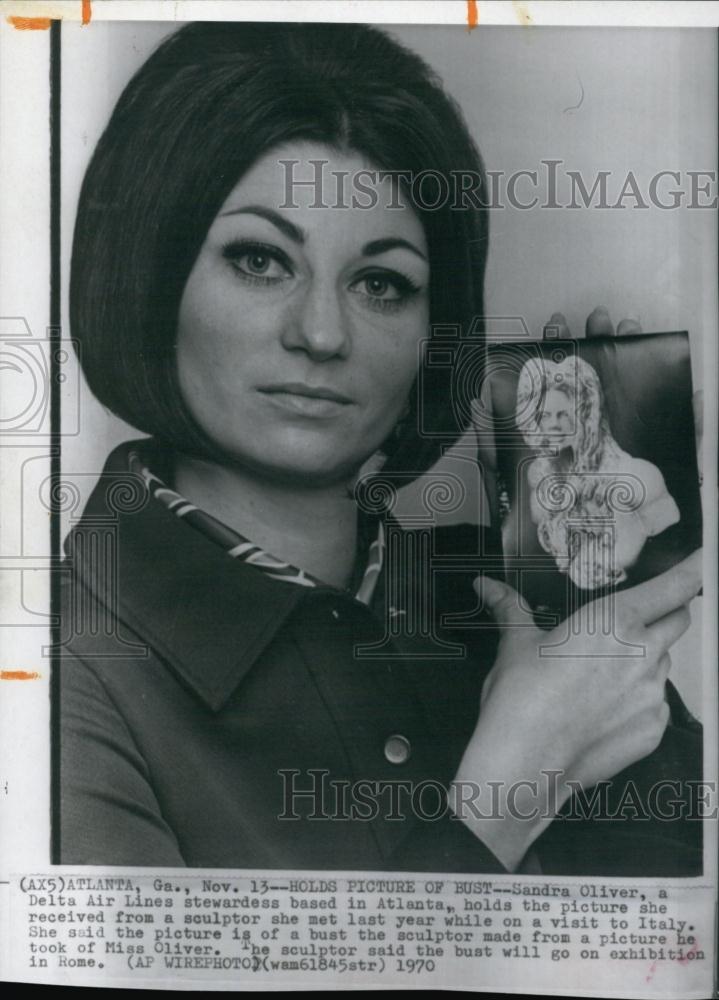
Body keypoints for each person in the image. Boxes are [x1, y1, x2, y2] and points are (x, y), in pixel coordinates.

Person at [59, 21, 702, 876]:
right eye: (258, 260)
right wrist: (505, 796)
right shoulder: (55, 670)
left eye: (381, 283)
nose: (322, 333)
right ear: (147, 272)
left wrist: (592, 581)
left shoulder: (497, 593)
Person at [515, 354, 681, 589]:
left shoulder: (640, 476)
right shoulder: (539, 477)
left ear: (585, 415)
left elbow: (670, 551)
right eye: (545, 416)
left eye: (564, 414)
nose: (553, 425)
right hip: (563, 611)